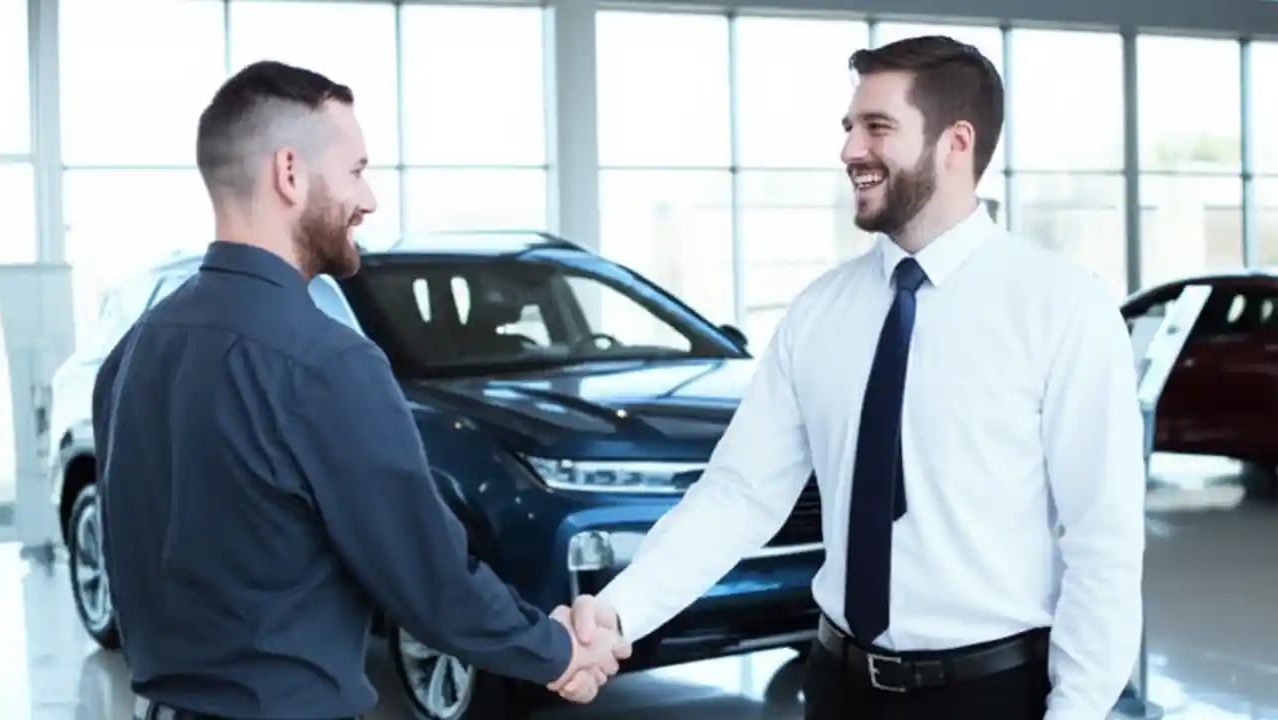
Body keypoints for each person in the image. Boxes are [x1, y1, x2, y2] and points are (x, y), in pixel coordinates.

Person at [557, 35, 1146, 719]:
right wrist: (618, 615)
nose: (848, 151)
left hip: (993, 694)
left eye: (877, 127)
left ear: (956, 142)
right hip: (838, 686)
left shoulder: (1061, 306)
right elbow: (739, 495)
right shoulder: (819, 312)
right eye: (848, 128)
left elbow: (1101, 538)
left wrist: (1076, 711)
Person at [92, 60, 628, 720]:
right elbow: (428, 578)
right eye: (355, 171)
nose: (368, 199)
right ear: (289, 173)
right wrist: (557, 651)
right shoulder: (326, 363)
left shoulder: (130, 354)